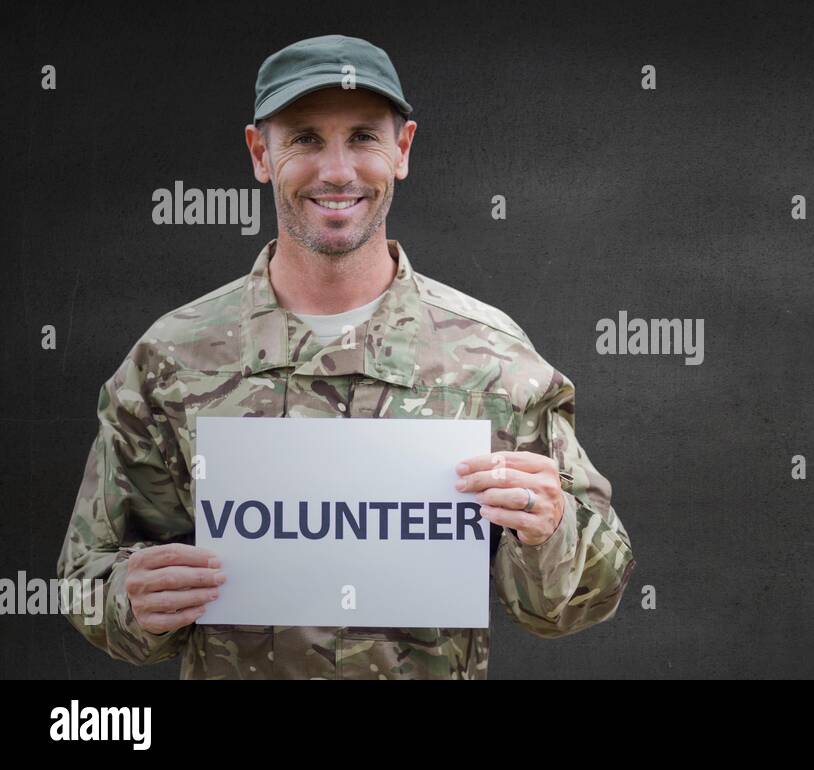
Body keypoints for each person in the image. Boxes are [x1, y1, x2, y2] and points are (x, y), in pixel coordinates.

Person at [55, 34, 635, 679]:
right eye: (304, 138)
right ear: (261, 153)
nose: (337, 170)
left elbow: (579, 604)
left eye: (363, 137)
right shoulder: (172, 358)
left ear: (402, 150)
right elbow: (85, 578)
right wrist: (130, 601)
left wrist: (550, 528)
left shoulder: (493, 359)